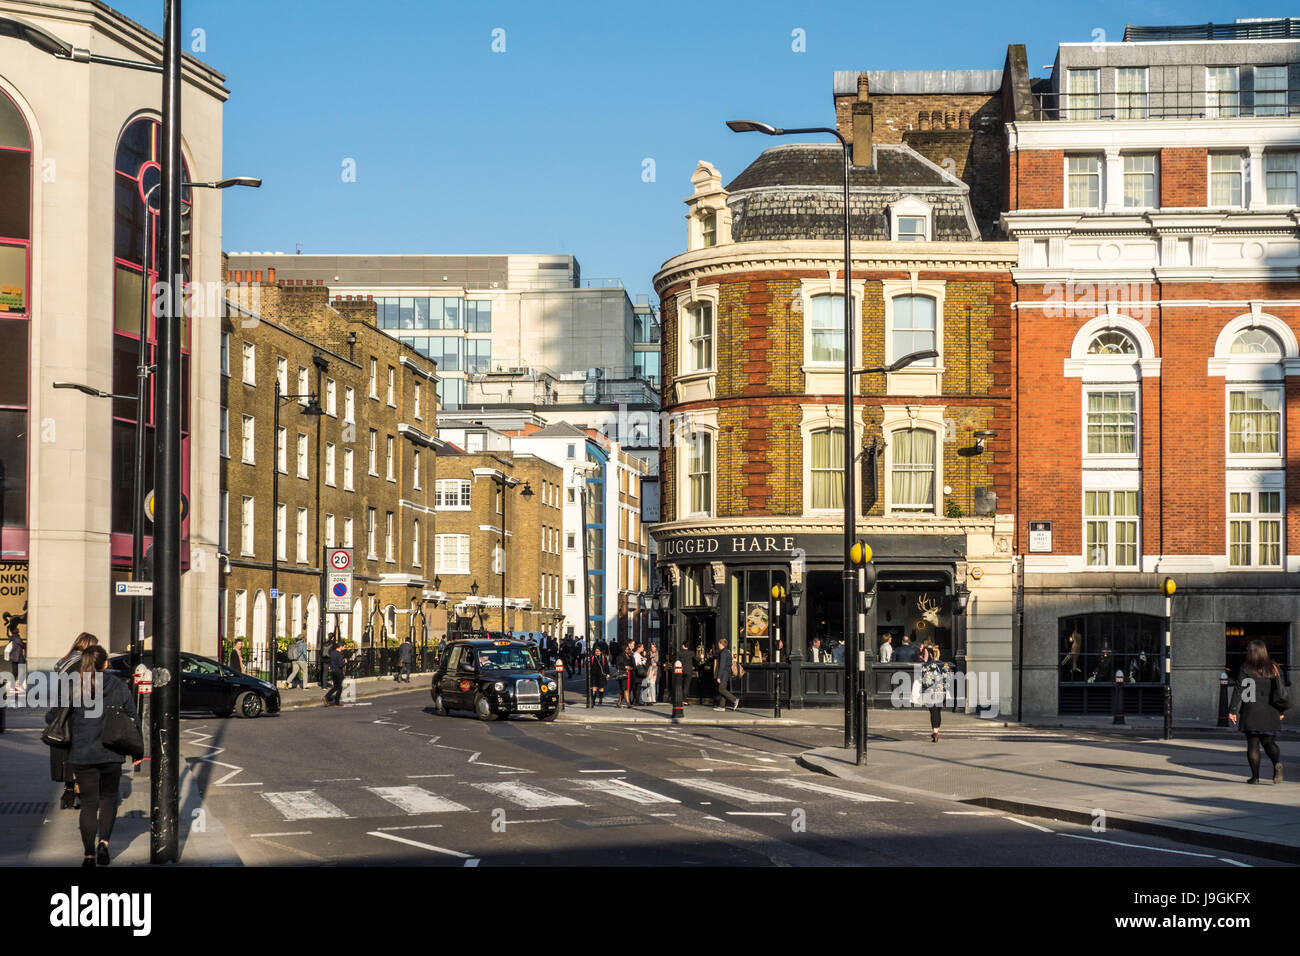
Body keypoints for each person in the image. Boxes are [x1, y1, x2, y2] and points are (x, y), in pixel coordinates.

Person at [47, 646, 141, 866]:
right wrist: (138, 751)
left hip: (82, 754)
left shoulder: (74, 685)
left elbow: (53, 715)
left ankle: (88, 855)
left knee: (89, 804)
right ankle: (104, 844)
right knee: (108, 799)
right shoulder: (117, 685)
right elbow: (133, 718)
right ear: (105, 663)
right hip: (111, 752)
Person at [1228, 639, 1289, 784]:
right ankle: (1276, 763)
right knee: (1269, 742)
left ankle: (1255, 777)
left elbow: (1239, 690)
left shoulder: (1245, 667)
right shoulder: (1274, 667)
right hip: (1271, 709)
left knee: (1253, 744)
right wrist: (1281, 710)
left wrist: (1233, 710)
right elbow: (1280, 691)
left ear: (1251, 652)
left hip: (1251, 710)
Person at [51, 633, 100, 811]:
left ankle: (69, 789)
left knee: (67, 753)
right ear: (87, 646)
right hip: (77, 714)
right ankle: (78, 790)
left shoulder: (65, 661)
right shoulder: (82, 664)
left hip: (62, 713)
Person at [917, 640, 952, 743]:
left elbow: (922, 680)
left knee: (933, 712)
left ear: (931, 655)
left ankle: (935, 732)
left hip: (930, 692)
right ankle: (936, 731)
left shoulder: (926, 666)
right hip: (941, 691)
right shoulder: (945, 665)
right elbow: (948, 679)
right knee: (938, 711)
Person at [713, 638, 740, 712]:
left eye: (719, 643)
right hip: (726, 673)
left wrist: (718, 677)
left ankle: (734, 700)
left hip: (723, 674)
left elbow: (722, 665)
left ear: (721, 644)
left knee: (721, 689)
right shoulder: (727, 652)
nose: (718, 645)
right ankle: (722, 706)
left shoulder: (723, 653)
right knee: (723, 689)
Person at [323, 641, 347, 706]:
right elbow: (340, 664)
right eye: (344, 647)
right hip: (338, 672)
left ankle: (326, 697)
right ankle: (336, 702)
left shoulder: (332, 653)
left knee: (335, 686)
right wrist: (345, 662)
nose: (345, 648)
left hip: (333, 671)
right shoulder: (339, 654)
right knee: (339, 688)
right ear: (341, 647)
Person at [5, 629, 25, 693]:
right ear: (17, 631)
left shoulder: (11, 638)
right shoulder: (17, 638)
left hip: (13, 658)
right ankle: (19, 686)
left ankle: (12, 687)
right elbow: (22, 645)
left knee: (14, 673)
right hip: (19, 658)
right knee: (23, 672)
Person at [615, 641, 633, 708]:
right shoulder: (620, 656)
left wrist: (631, 656)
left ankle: (619, 702)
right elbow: (617, 666)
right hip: (623, 674)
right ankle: (628, 703)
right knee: (625, 689)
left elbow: (633, 664)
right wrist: (625, 667)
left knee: (624, 690)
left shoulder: (629, 656)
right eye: (628, 649)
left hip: (629, 674)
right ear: (624, 649)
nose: (629, 650)